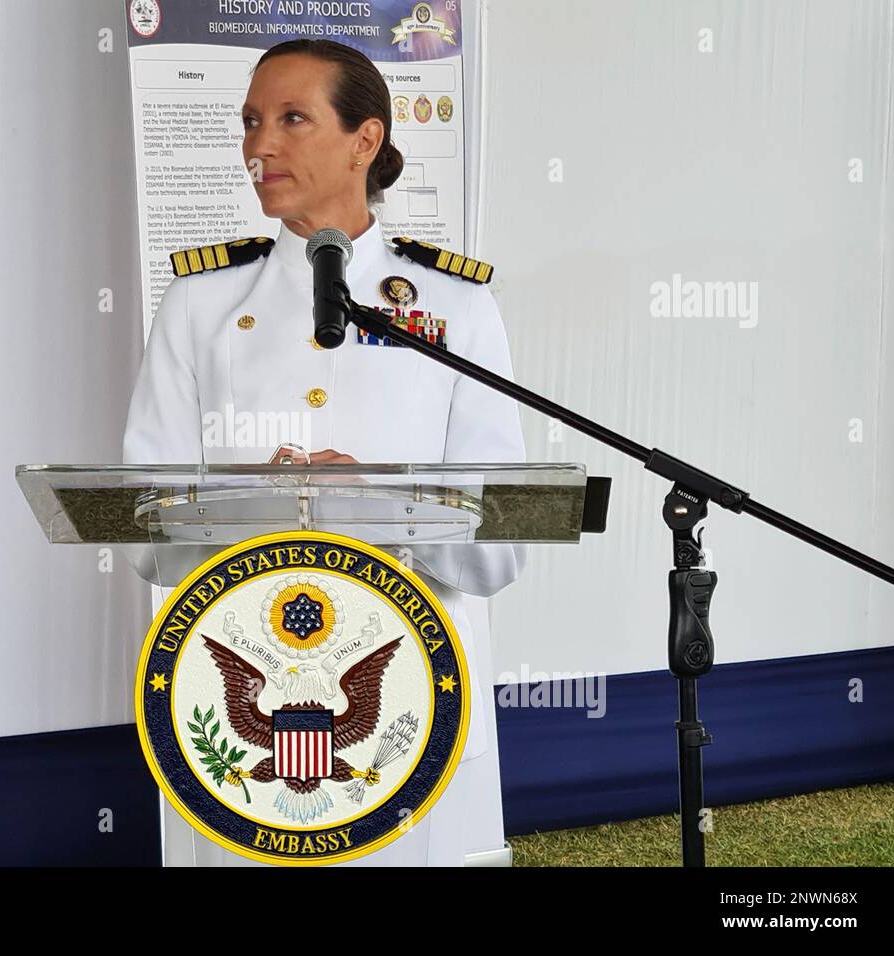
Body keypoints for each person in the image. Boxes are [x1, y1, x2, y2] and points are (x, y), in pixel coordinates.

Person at [123, 39, 527, 866]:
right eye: (250, 122)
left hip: (416, 704)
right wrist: (251, 502)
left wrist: (378, 500)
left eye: (291, 119)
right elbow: (141, 528)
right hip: (247, 715)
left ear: (365, 140)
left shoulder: (455, 305)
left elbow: (505, 542)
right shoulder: (200, 304)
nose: (256, 146)